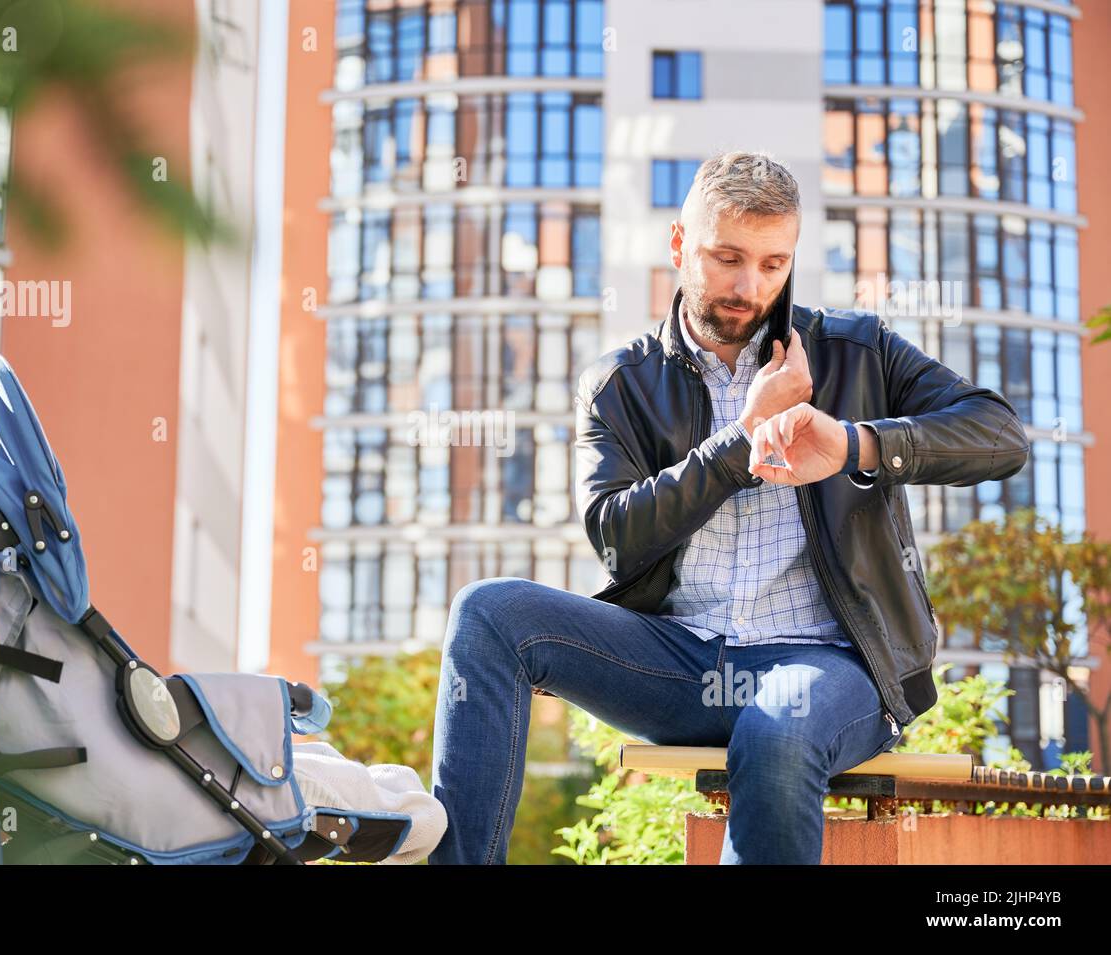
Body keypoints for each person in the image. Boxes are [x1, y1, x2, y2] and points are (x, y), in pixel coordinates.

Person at [428, 151, 1030, 865]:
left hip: (831, 664)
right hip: (680, 664)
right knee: (489, 612)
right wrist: (738, 444)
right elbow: (617, 540)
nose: (751, 287)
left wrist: (853, 444)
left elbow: (1000, 434)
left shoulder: (856, 351)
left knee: (777, 733)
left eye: (774, 263)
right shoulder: (620, 383)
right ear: (681, 245)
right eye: (727, 258)